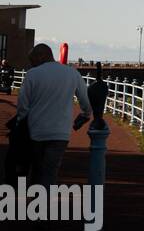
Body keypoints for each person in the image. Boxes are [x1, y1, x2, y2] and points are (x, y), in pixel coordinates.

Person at [14, 43, 90, 188]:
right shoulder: (72, 73)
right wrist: (85, 115)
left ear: (42, 56)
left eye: (33, 60)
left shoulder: (32, 74)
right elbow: (85, 101)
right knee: (50, 172)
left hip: (36, 131)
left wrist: (21, 122)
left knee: (37, 170)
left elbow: (22, 105)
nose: (32, 64)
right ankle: (43, 204)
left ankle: (36, 204)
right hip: (60, 132)